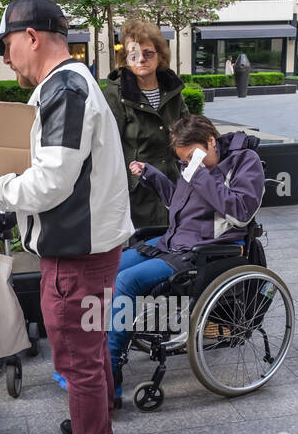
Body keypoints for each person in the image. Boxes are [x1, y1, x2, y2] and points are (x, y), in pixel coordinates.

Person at [0, 0, 133, 434]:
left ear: (31, 37)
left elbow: (52, 181)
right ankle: (96, 430)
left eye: (7, 46)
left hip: (76, 255)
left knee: (77, 358)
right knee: (91, 352)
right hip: (90, 248)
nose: (6, 59)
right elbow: (63, 181)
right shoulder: (74, 86)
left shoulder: (65, 90)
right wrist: (5, 217)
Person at [112, 116, 265, 395]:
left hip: (206, 248)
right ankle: (100, 349)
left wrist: (200, 176)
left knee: (126, 282)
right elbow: (178, 204)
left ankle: (109, 373)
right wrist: (152, 176)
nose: (188, 162)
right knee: (110, 270)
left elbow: (241, 213)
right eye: (183, 159)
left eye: (191, 156)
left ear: (211, 141)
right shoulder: (193, 164)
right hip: (173, 240)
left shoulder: (246, 161)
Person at [105, 18, 190, 230]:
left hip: (173, 185)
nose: (141, 59)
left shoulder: (171, 89)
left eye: (148, 53)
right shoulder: (116, 94)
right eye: (133, 54)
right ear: (126, 58)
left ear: (160, 56)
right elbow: (107, 148)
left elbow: (189, 132)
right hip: (137, 192)